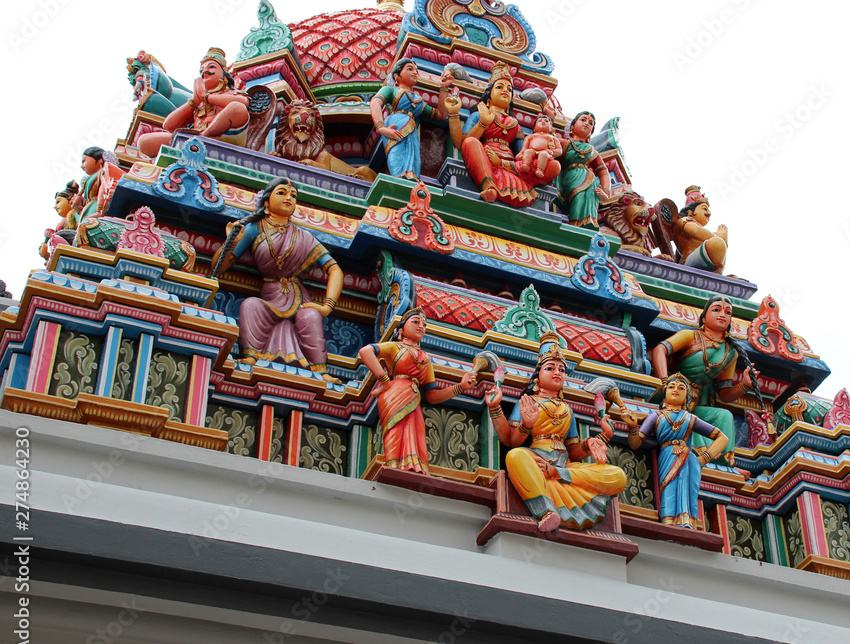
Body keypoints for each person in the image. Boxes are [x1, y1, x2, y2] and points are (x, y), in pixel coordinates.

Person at [485, 331, 627, 532]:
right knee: (516, 456)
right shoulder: (528, 402)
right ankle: (545, 511)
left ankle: (558, 474)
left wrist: (596, 440)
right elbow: (512, 441)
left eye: (561, 369)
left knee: (618, 475)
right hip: (536, 462)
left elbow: (574, 452)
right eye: (550, 368)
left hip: (565, 469)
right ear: (537, 378)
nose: (557, 372)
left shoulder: (567, 410)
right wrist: (501, 411)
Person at [210, 177, 342, 383]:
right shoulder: (255, 229)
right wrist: (231, 241)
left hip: (297, 295)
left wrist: (327, 306)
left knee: (311, 316)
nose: (289, 197)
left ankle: (321, 370)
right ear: (266, 201)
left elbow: (335, 269)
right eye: (281, 192)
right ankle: (251, 356)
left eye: (293, 195)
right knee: (250, 306)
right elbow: (218, 268)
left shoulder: (303, 236)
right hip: (269, 293)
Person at [358, 308, 477, 473]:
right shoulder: (394, 347)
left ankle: (414, 466)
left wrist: (461, 387)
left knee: (416, 433)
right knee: (396, 430)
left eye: (424, 324)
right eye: (415, 321)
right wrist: (384, 380)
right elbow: (365, 351)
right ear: (401, 330)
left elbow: (433, 395)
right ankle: (393, 465)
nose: (421, 326)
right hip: (394, 394)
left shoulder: (426, 359)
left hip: (414, 400)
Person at [650, 295, 756, 467]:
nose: (723, 314)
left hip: (700, 402)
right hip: (675, 395)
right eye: (716, 309)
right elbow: (660, 350)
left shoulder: (731, 352)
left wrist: (745, 385)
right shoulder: (690, 336)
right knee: (688, 415)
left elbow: (724, 394)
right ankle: (697, 454)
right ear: (704, 317)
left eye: (728, 312)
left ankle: (723, 462)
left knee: (724, 415)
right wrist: (664, 382)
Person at [446, 62, 560, 207]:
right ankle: (489, 185)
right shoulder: (478, 115)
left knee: (554, 166)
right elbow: (459, 142)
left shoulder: (515, 123)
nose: (505, 90)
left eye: (509, 89)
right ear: (489, 96)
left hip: (512, 165)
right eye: (499, 87)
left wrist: (546, 146)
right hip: (486, 158)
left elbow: (522, 152)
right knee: (471, 143)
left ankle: (524, 182)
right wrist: (478, 121)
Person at [622, 373, 728, 527]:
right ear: (664, 393)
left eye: (681, 388)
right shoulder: (656, 417)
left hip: (688, 460)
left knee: (686, 486)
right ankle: (669, 519)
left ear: (687, 397)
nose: (675, 390)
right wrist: (632, 427)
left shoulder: (690, 419)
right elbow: (635, 443)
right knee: (669, 486)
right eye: (671, 387)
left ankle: (686, 519)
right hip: (668, 456)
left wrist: (701, 459)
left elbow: (722, 438)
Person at [137, 47, 250, 159]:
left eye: (211, 67)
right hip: (193, 138)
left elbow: (241, 104)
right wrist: (194, 102)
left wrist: (207, 97)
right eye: (201, 70)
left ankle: (202, 139)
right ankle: (197, 141)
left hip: (226, 136)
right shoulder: (198, 102)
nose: (205, 71)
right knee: (143, 141)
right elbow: (168, 125)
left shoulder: (232, 93)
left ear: (225, 76)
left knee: (237, 108)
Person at [369, 58, 454, 179]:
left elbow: (440, 115)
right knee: (397, 160)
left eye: (416, 70)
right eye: (410, 69)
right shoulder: (390, 90)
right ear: (397, 76)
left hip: (411, 133)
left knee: (413, 166)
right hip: (395, 128)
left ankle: (411, 179)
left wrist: (444, 88)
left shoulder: (418, 100)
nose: (415, 72)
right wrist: (381, 127)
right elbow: (375, 103)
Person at [555, 110, 611, 229]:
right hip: (568, 179)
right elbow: (548, 147)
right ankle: (575, 225)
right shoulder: (563, 143)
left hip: (588, 181)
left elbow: (603, 172)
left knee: (585, 199)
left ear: (591, 133)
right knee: (577, 200)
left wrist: (605, 191)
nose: (587, 123)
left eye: (591, 123)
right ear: (573, 126)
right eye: (583, 119)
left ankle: (584, 225)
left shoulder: (592, 152)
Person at [672, 186, 728, 274]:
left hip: (703, 261)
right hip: (688, 261)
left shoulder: (700, 227)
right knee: (716, 244)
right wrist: (719, 235)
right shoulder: (684, 221)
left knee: (718, 245)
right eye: (704, 208)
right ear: (691, 212)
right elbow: (696, 231)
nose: (709, 213)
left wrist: (722, 238)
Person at [515, 114, 562, 179]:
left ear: (551, 128)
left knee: (543, 154)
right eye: (540, 121)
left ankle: (540, 170)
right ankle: (526, 165)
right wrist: (521, 153)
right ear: (534, 128)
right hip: (532, 151)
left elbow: (559, 150)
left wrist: (553, 152)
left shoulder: (552, 138)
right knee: (528, 151)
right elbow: (524, 148)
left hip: (546, 152)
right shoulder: (530, 137)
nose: (543, 122)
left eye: (546, 121)